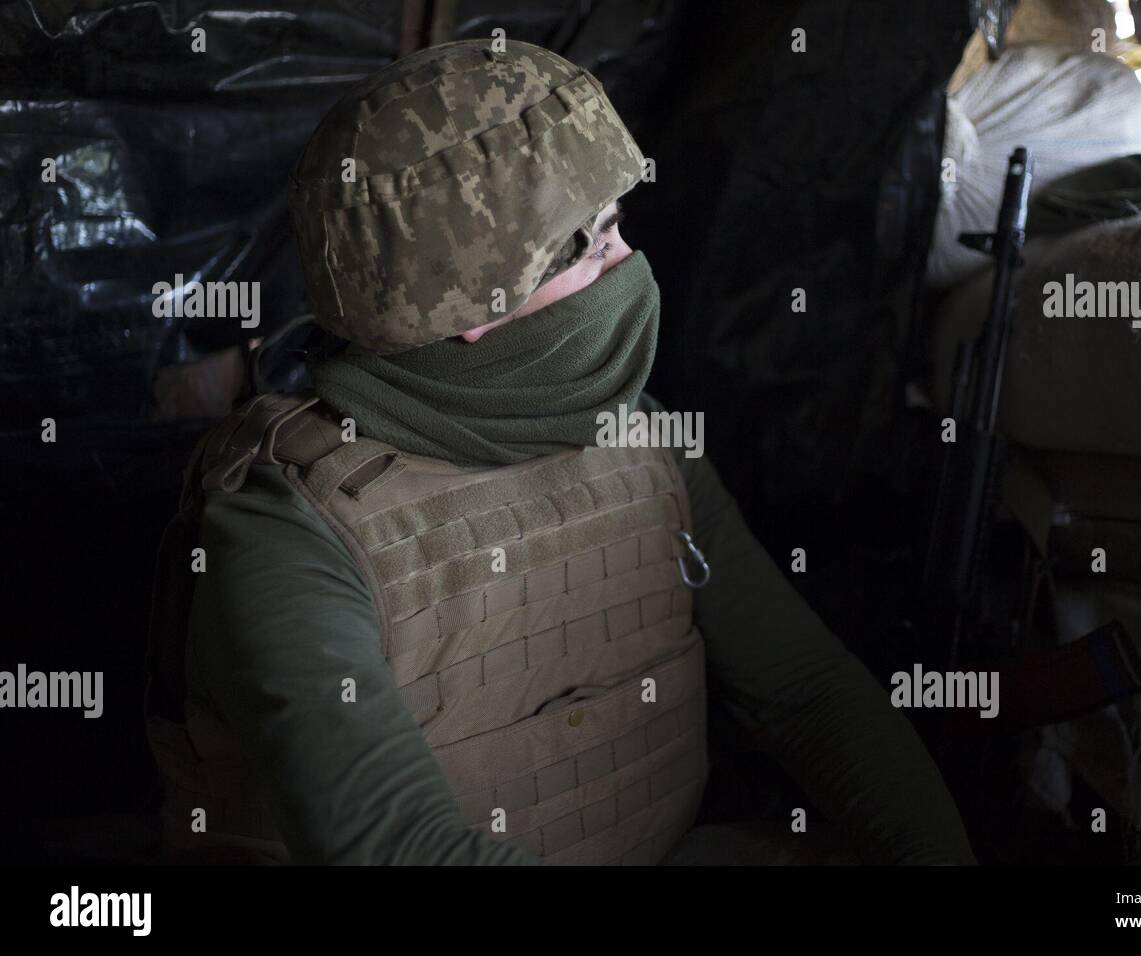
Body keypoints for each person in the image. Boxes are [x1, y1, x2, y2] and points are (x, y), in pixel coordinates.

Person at [145, 38, 975, 866]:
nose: (628, 264)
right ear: (471, 296)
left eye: (617, 230)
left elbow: (805, 690)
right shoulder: (285, 525)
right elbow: (404, 848)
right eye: (595, 244)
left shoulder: (641, 438)